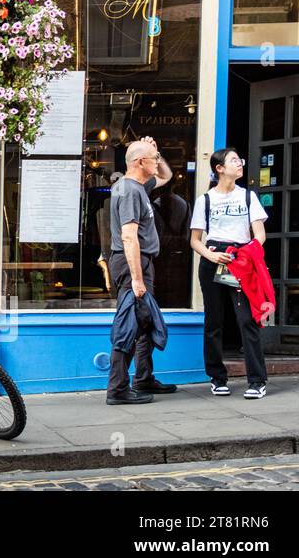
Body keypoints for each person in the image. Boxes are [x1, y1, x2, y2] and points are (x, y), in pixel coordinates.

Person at [191, 147, 271, 399]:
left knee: (246, 319)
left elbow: (260, 235)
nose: (240, 164)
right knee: (214, 321)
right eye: (234, 161)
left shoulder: (248, 197)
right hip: (213, 260)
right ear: (219, 168)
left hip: (241, 260)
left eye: (240, 160)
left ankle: (257, 380)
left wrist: (245, 254)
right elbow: (195, 240)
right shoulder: (205, 200)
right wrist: (211, 255)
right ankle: (217, 377)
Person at [107, 136, 178, 406]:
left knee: (144, 323)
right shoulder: (128, 191)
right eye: (153, 159)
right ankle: (117, 389)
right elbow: (128, 237)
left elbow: (166, 175)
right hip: (131, 264)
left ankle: (143, 378)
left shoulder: (139, 187)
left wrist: (155, 150)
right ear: (139, 162)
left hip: (142, 263)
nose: (157, 162)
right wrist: (137, 278)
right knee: (128, 325)